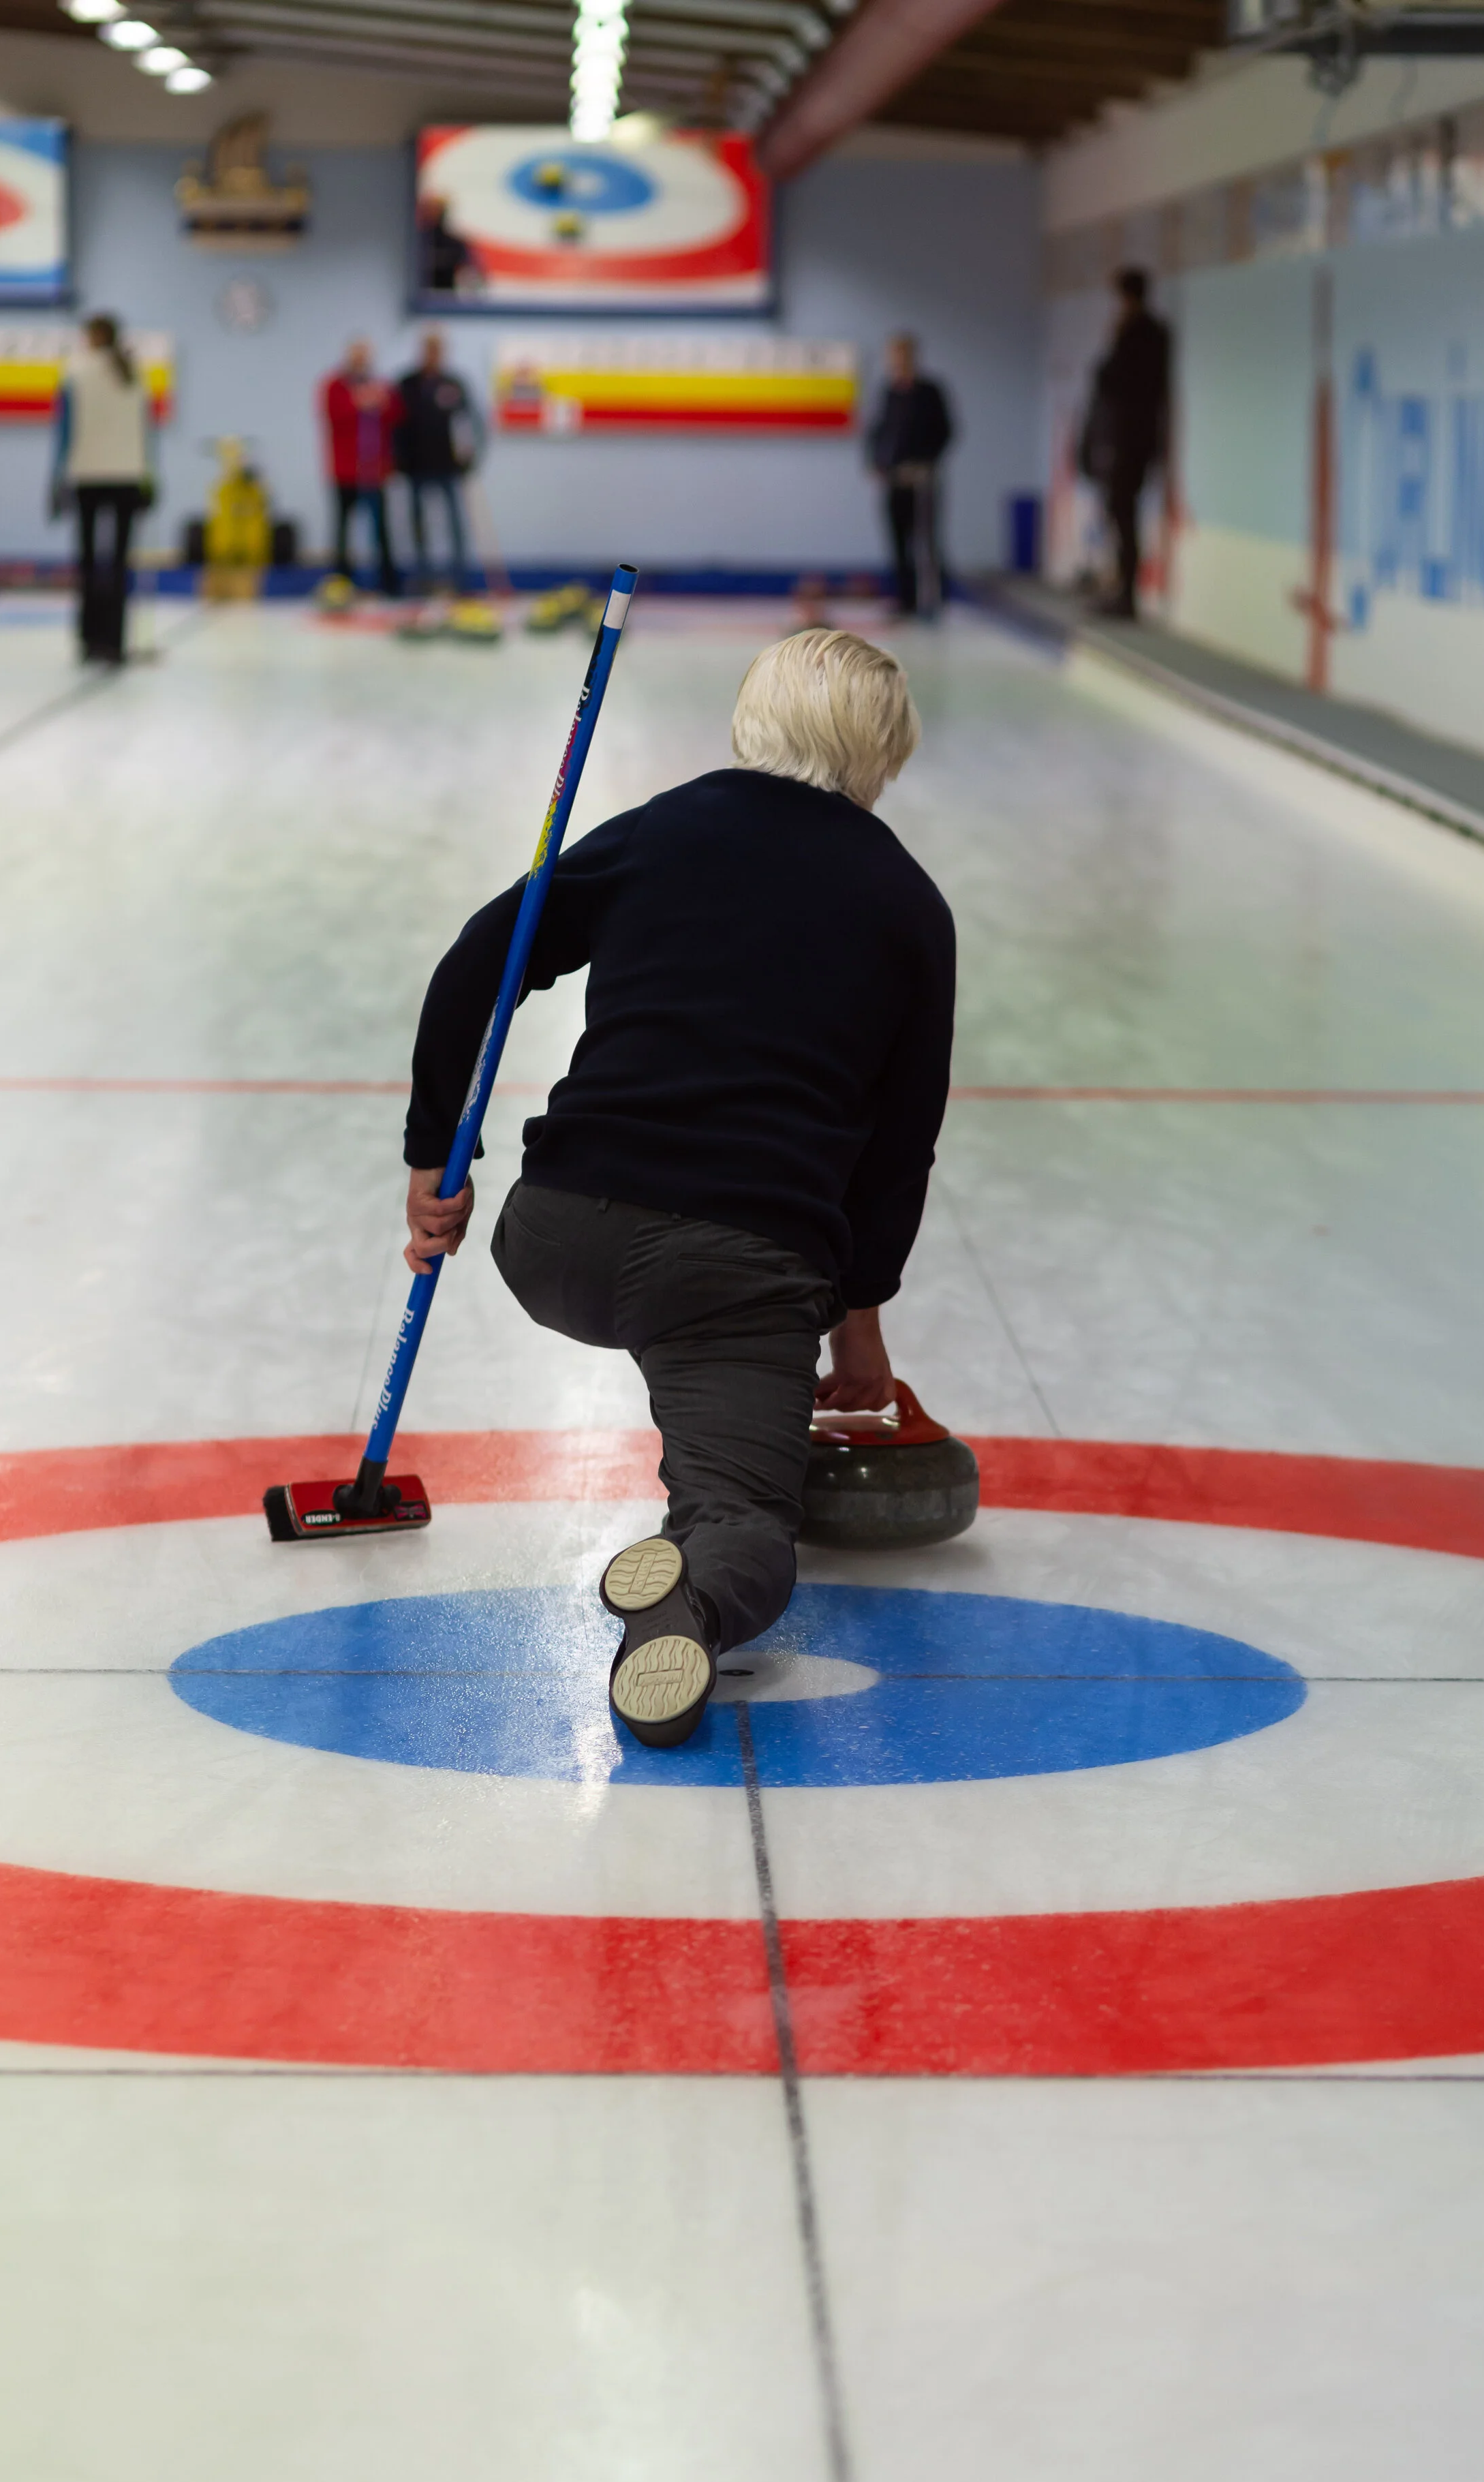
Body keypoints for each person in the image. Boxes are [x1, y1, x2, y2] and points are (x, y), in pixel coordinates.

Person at [401, 628, 955, 1751]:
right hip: (739, 1268)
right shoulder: (908, 904)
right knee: (748, 1520)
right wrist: (861, 1335)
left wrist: (431, 1160)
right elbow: (898, 1151)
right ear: (881, 754)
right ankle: (691, 1594)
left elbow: (481, 962)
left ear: (753, 720)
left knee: (663, 1315)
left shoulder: (666, 829)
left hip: (559, 1233)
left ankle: (672, 1590)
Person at [50, 313, 152, 666]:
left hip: (88, 476)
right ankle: (115, 643)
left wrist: (55, 480)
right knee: (120, 564)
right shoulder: (134, 374)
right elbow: (146, 434)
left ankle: (88, 640)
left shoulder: (75, 372)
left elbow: (64, 431)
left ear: (92, 336)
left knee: (89, 562)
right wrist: (150, 478)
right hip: (128, 476)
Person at [1077, 267, 1172, 621]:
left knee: (1123, 515)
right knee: (1119, 516)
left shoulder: (1144, 335)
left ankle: (1126, 595)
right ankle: (1119, 589)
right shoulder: (1135, 333)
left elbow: (1123, 387)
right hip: (1123, 440)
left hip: (1128, 443)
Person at [867, 333, 953, 621]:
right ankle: (904, 601)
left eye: (902, 355)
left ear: (912, 357)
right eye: (893, 356)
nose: (897, 362)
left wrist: (925, 463)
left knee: (926, 543)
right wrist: (876, 463)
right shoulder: (889, 392)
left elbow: (946, 432)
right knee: (897, 542)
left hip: (922, 480)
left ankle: (932, 603)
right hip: (894, 480)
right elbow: (878, 431)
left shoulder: (930, 392)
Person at [393, 333, 482, 593]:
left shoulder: (453, 384)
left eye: (437, 350)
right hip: (417, 466)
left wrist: (469, 455)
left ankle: (460, 580)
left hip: (448, 466)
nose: (433, 355)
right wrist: (398, 459)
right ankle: (424, 578)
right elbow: (397, 425)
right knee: (419, 525)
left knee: (456, 523)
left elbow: (469, 422)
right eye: (428, 350)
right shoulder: (407, 384)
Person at [321, 339, 403, 596]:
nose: (360, 360)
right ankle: (342, 582)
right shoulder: (335, 386)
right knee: (343, 529)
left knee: (381, 529)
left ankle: (388, 583)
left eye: (364, 356)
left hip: (374, 472)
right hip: (345, 471)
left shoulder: (380, 386)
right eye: (356, 356)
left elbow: (397, 416)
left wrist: (381, 401)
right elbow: (333, 416)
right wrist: (358, 403)